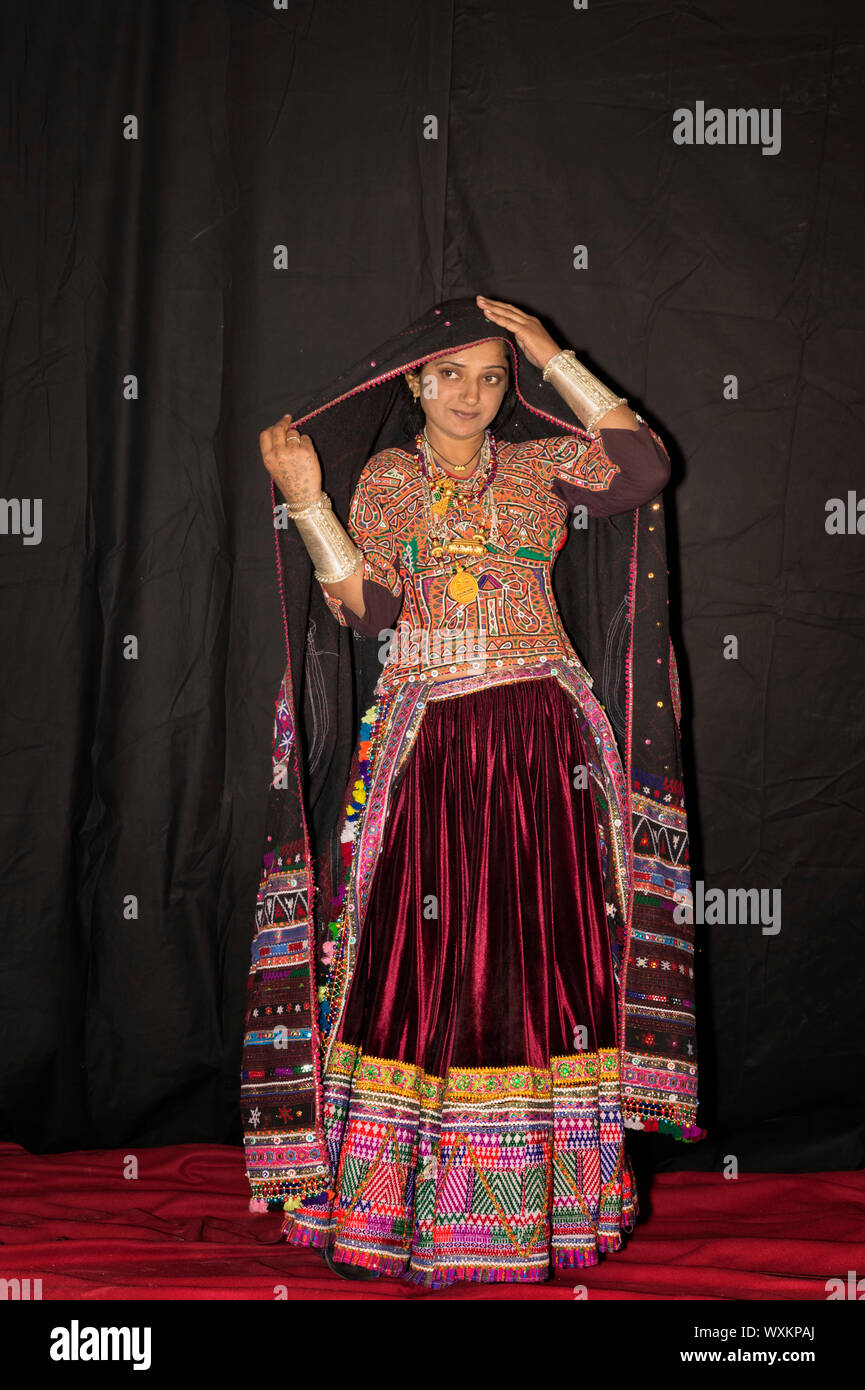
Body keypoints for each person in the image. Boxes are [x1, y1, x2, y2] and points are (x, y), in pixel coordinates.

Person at [245, 294, 702, 1291]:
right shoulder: (387, 480)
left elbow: (643, 468)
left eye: (493, 377)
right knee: (423, 961)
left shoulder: (543, 465)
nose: (473, 394)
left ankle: (542, 1205)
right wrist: (309, 498)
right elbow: (365, 610)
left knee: (544, 959)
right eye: (450, 374)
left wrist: (551, 351)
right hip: (433, 743)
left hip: (547, 740)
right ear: (411, 382)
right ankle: (408, 1206)